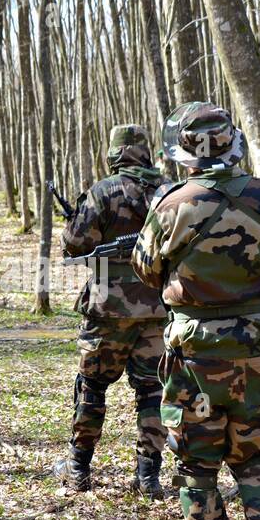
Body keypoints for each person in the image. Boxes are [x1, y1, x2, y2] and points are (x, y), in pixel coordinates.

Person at [131, 102, 260, 520]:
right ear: (235, 142)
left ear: (184, 154)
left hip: (197, 359)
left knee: (198, 467)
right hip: (256, 352)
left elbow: (145, 269)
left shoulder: (173, 205)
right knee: (254, 456)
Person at [53, 124, 168, 497]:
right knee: (152, 391)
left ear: (115, 154)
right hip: (157, 308)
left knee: (91, 387)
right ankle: (148, 476)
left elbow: (74, 244)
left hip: (106, 310)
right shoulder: (169, 192)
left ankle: (77, 467)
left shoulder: (102, 191)